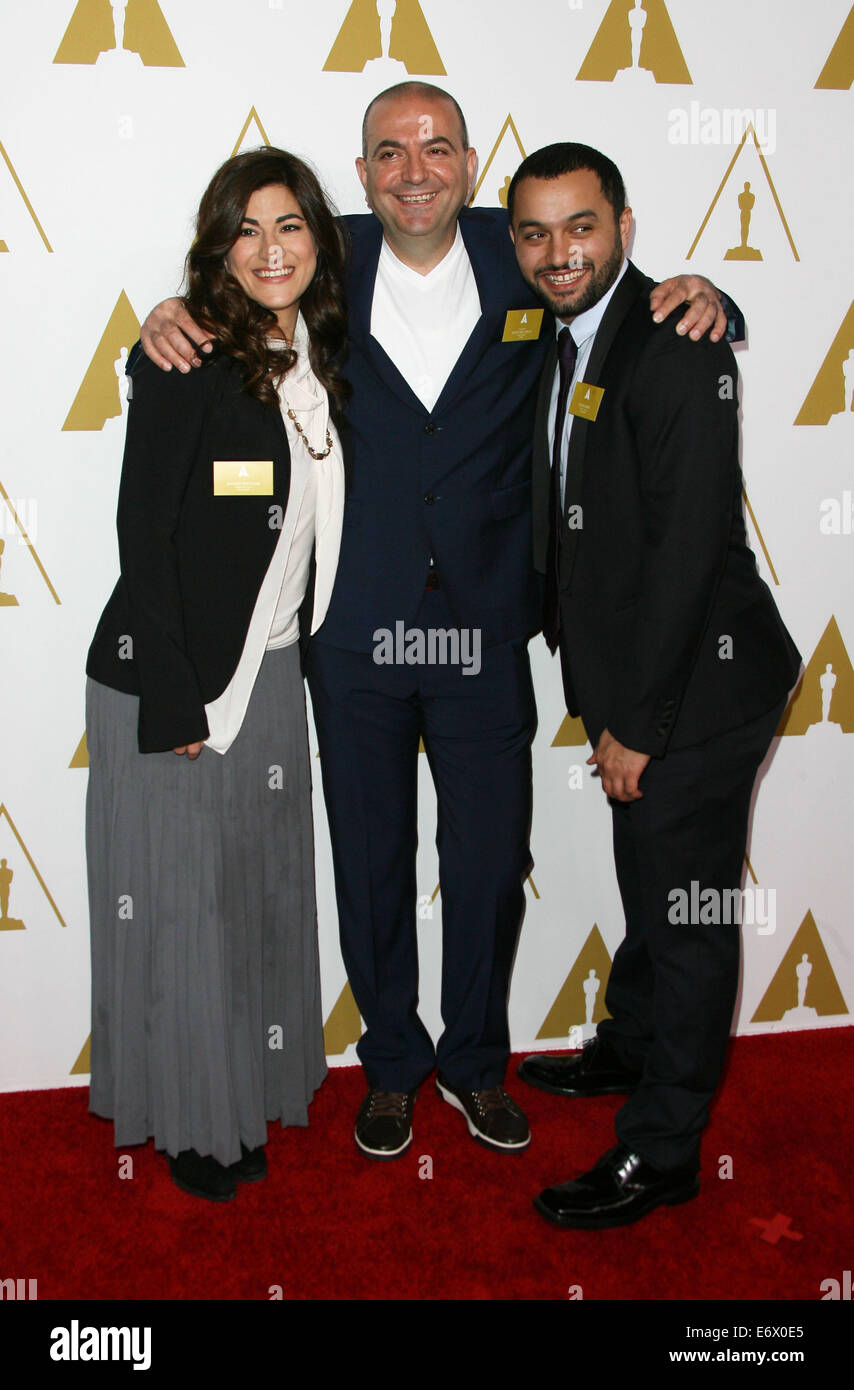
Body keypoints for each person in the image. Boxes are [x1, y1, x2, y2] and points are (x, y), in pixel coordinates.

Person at [140, 82, 735, 1162]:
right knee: (369, 861)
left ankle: (471, 1062)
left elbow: (613, 295)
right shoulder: (325, 260)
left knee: (486, 863)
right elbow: (234, 278)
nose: (411, 170)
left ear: (468, 163)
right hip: (353, 629)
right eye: (386, 152)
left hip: (481, 631)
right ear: (361, 174)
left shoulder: (522, 259)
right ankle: (393, 1065)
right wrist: (168, 309)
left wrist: (704, 299)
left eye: (434, 149)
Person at [508, 142, 801, 1227]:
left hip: (700, 690)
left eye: (579, 227)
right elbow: (388, 242)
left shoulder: (673, 341)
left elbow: (684, 551)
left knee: (685, 911)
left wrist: (638, 724)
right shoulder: (557, 320)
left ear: (623, 228)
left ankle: (664, 1147)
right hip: (637, 678)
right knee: (652, 874)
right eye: (532, 234)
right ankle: (632, 1044)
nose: (557, 252)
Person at [85, 147, 350, 1201]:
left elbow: (455, 245)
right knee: (183, 907)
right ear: (217, 248)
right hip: (175, 676)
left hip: (276, 678)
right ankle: (193, 1123)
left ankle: (248, 1086)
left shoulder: (322, 352)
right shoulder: (183, 353)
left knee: (253, 900)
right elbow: (140, 533)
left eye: (289, 226)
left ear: (319, 241)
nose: (270, 247)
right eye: (246, 229)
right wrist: (174, 693)